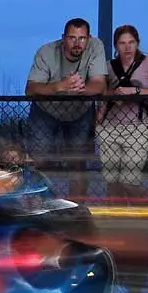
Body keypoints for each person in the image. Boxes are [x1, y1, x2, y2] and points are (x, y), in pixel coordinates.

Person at [25, 17, 108, 197]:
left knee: (77, 162)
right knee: (39, 160)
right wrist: (59, 86)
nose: (77, 43)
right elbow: (30, 89)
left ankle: (76, 209)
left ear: (89, 38)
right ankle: (37, 204)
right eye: (72, 38)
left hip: (80, 110)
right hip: (46, 110)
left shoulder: (96, 47)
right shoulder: (46, 52)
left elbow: (99, 83)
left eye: (82, 38)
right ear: (63, 38)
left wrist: (82, 89)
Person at [98, 24, 148, 198]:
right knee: (112, 181)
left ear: (137, 43)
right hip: (109, 127)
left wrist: (134, 91)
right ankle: (117, 221)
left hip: (138, 126)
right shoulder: (109, 66)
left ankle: (146, 215)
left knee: (130, 180)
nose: (127, 47)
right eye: (122, 43)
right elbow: (102, 96)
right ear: (115, 45)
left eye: (131, 42)